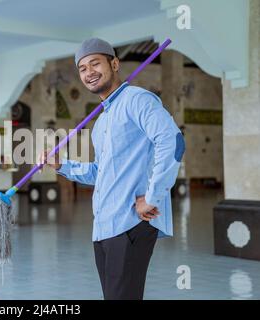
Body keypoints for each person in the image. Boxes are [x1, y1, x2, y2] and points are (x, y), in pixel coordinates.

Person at [42, 38, 185, 300]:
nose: (89, 72)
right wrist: (62, 166)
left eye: (95, 63)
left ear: (115, 64)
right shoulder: (102, 120)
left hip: (131, 222)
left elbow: (172, 141)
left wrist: (153, 197)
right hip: (104, 226)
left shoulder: (138, 100)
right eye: (83, 68)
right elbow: (101, 172)